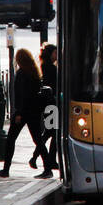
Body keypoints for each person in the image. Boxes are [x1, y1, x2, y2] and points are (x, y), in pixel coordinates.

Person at [0, 48, 54, 179]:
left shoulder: (22, 74)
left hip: (23, 112)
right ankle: (47, 168)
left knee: (11, 139)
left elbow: (22, 95)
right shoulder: (34, 72)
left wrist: (18, 113)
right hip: (33, 111)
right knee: (38, 139)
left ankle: (6, 169)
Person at [31, 43, 58, 171]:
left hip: (47, 104)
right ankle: (42, 158)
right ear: (50, 54)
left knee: (50, 132)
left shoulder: (43, 66)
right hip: (52, 104)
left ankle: (43, 158)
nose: (56, 55)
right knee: (52, 132)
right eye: (55, 53)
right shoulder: (51, 68)